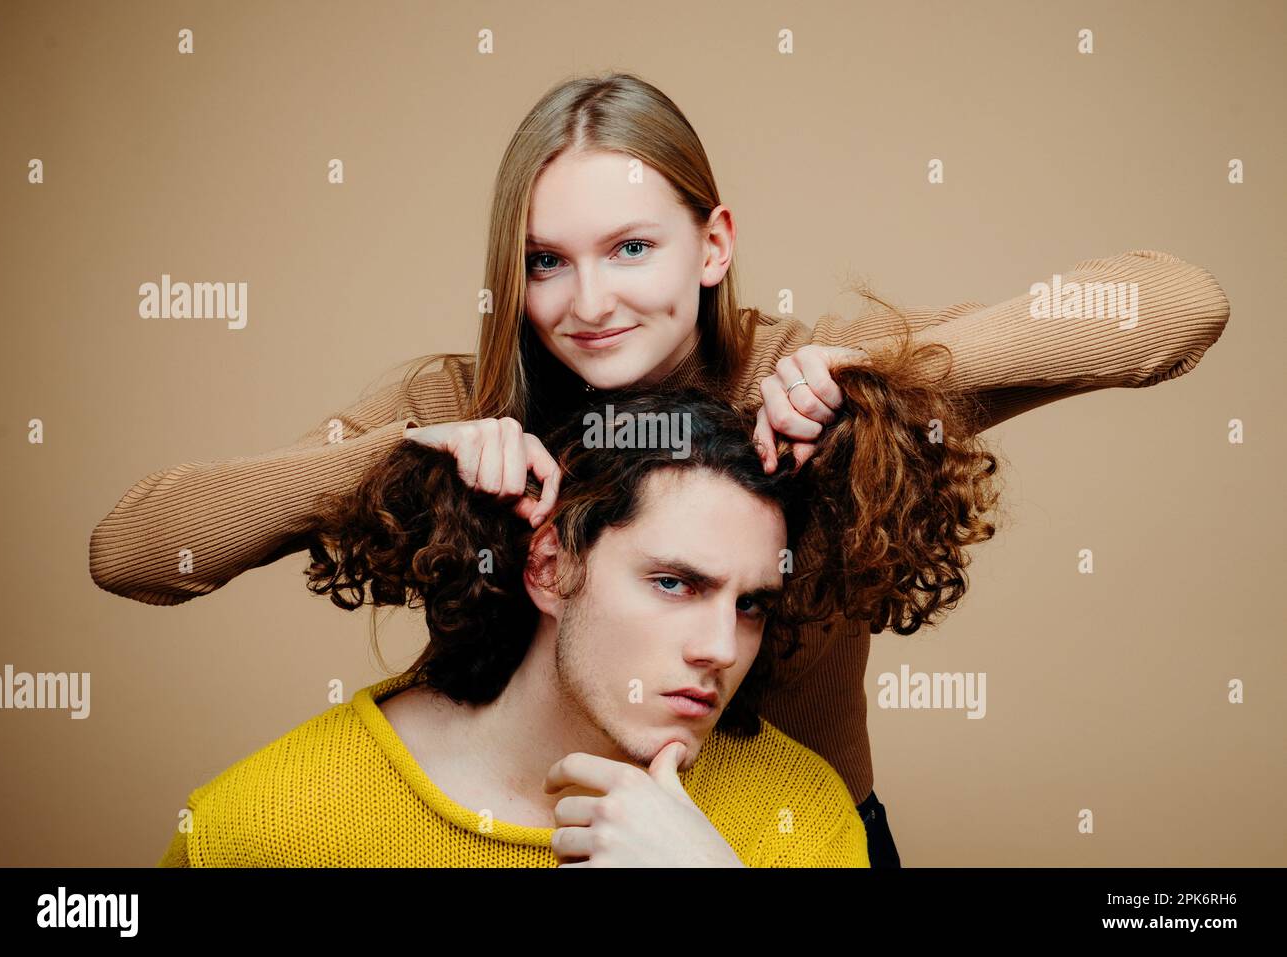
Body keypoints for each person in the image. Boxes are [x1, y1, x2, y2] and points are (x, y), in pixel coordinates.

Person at [98, 72, 1230, 867]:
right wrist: (397, 459)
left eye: (632, 248)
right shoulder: (459, 405)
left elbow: (1179, 310)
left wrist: (880, 376)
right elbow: (132, 552)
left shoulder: (809, 386)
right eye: (547, 262)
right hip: (510, 840)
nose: (589, 304)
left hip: (791, 846)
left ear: (714, 244)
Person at [158, 348, 1002, 867]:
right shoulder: (270, 824)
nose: (720, 646)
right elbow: (133, 545)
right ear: (550, 566)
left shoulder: (798, 821)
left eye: (751, 604)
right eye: (676, 583)